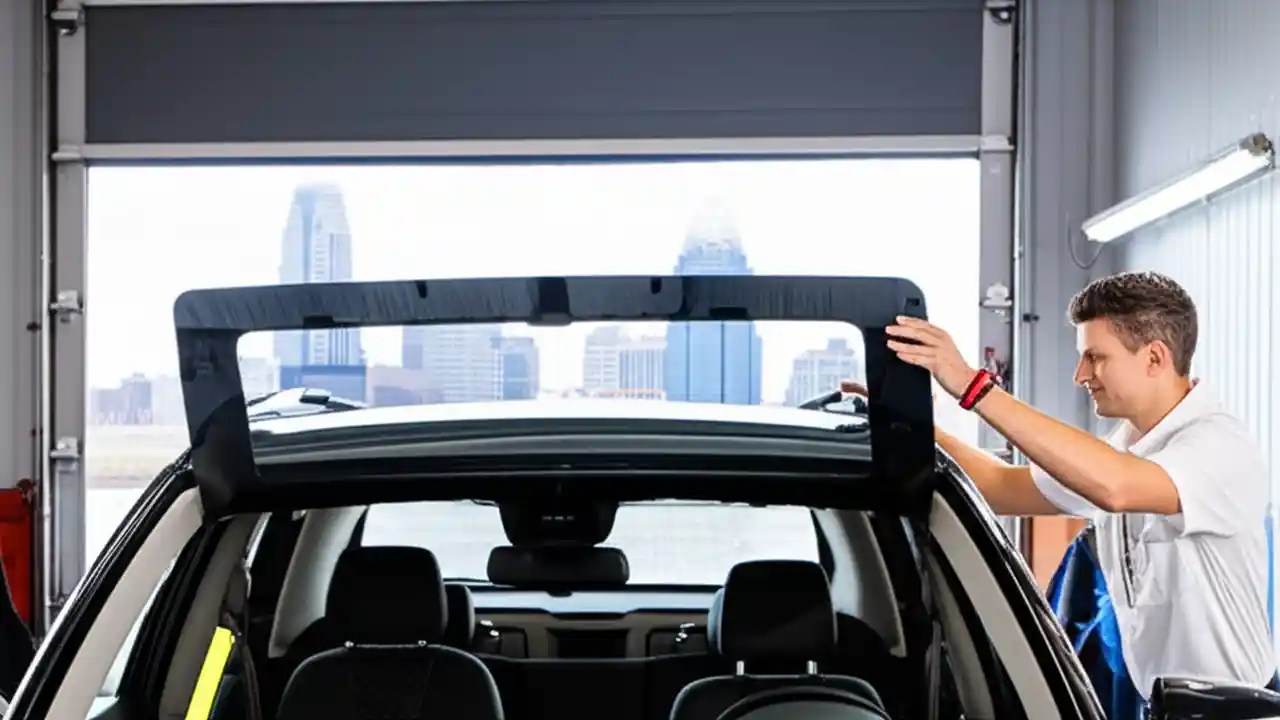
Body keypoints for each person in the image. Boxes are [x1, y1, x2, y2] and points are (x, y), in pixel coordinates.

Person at [845, 270, 1274, 699]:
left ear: (1155, 358)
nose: (1080, 374)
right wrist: (909, 422)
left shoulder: (1217, 447)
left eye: (1096, 357)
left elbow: (1115, 487)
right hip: (1164, 706)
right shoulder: (1126, 449)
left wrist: (973, 387)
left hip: (1231, 710)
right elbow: (1000, 487)